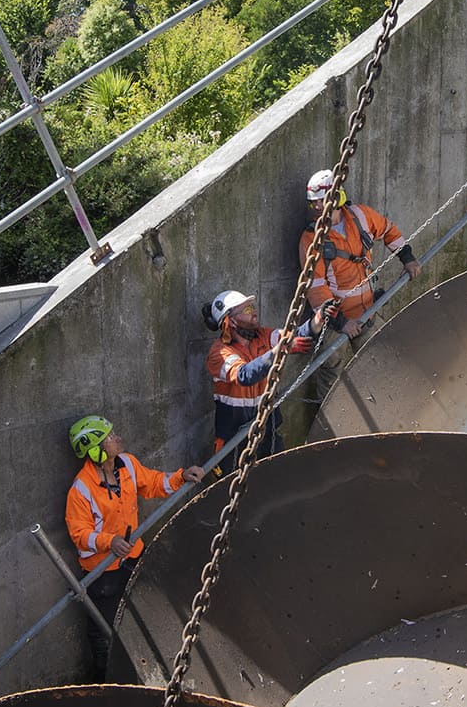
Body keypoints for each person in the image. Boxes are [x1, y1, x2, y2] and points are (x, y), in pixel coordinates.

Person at [63, 416, 203, 671]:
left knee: (148, 611)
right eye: (109, 437)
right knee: (103, 632)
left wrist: (182, 476)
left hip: (134, 557)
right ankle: (106, 680)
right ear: (95, 450)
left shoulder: (126, 463)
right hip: (103, 573)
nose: (117, 438)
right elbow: (79, 534)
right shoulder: (81, 490)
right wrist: (110, 542)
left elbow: (151, 483)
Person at [201, 288, 327, 464]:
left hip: (266, 431)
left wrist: (318, 320)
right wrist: (278, 351)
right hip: (235, 441)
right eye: (246, 310)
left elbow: (295, 335)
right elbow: (245, 375)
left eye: (252, 306)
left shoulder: (263, 336)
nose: (253, 312)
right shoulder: (219, 353)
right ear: (231, 321)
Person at [298, 167, 419, 339]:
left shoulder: (360, 216)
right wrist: (341, 322)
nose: (317, 206)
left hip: (368, 311)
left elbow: (388, 230)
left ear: (337, 197)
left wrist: (407, 258)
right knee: (335, 363)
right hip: (336, 323)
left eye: (321, 200)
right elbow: (316, 288)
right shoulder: (311, 238)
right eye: (313, 202)